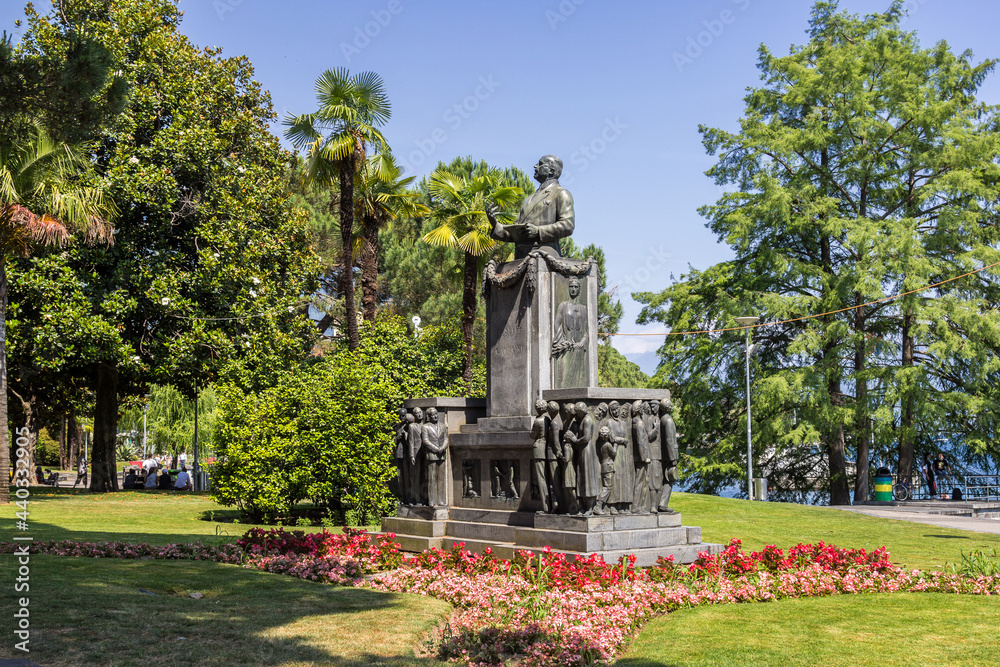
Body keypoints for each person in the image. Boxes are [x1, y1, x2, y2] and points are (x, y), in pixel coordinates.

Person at [487, 155, 575, 259]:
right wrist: (495, 224)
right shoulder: (528, 199)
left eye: (540, 164)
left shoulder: (561, 193)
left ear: (551, 171)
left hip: (544, 258)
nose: (535, 166)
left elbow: (567, 226)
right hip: (521, 258)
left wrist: (538, 231)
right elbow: (515, 233)